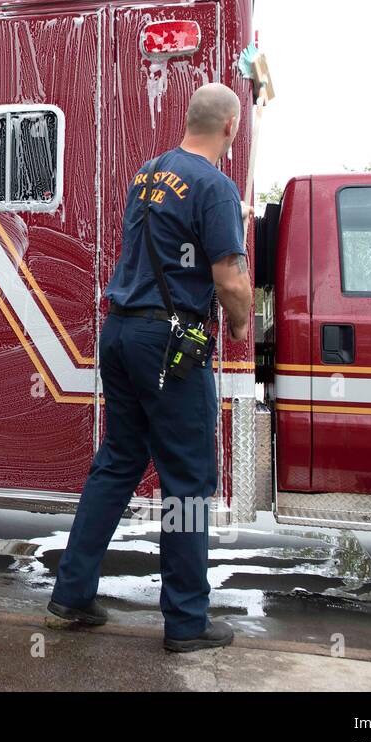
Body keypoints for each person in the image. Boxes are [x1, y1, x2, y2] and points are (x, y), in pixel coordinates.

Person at [48, 82, 253, 652]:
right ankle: (187, 622)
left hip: (119, 331)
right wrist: (239, 324)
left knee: (116, 463)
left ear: (189, 119)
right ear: (231, 129)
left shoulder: (148, 172)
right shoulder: (215, 186)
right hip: (167, 340)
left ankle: (70, 596)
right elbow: (230, 278)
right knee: (187, 482)